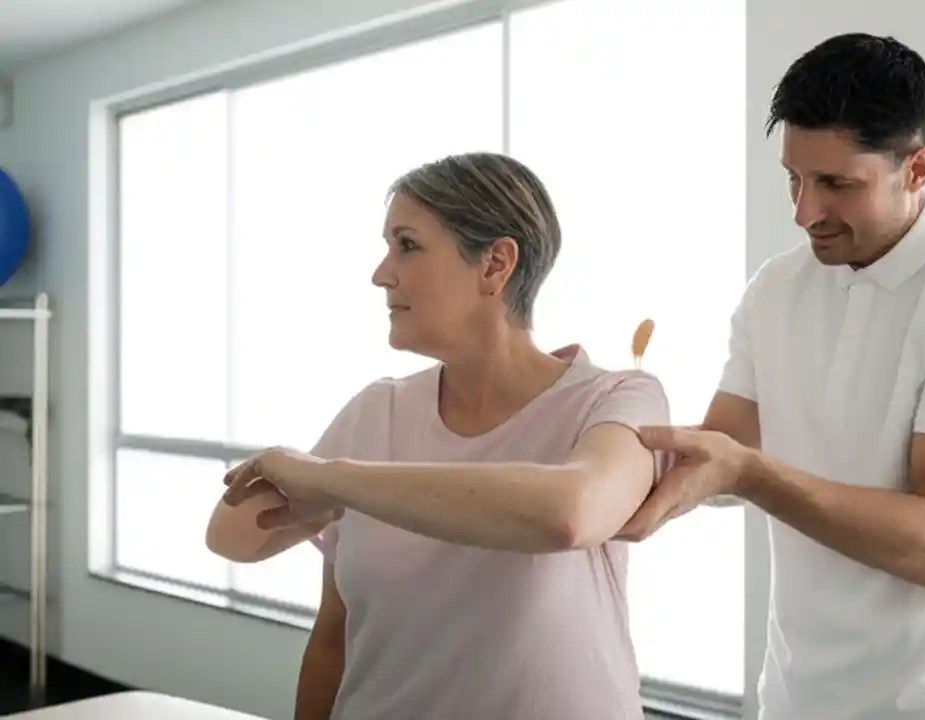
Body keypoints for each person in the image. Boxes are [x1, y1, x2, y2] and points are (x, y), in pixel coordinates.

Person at [618, 33, 925, 719]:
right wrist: (599, 435)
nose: (803, 212)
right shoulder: (776, 290)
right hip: (795, 700)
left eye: (835, 184)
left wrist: (750, 473)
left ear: (918, 168)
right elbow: (721, 452)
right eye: (793, 177)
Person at [204, 152, 668, 720]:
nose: (382, 272)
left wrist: (336, 482)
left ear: (495, 264)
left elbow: (571, 513)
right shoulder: (378, 412)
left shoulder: (616, 403)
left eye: (407, 245)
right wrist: (307, 480)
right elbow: (267, 570)